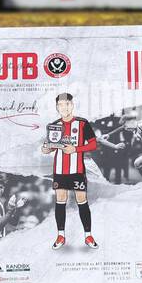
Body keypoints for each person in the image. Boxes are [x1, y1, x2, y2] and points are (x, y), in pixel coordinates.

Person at [40, 92, 98, 249]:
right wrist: (45, 149)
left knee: (81, 200)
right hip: (59, 171)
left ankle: (88, 236)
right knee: (60, 200)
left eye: (66, 104)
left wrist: (76, 149)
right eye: (60, 105)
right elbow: (49, 148)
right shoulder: (54, 126)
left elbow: (93, 145)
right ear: (57, 107)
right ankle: (61, 236)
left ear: (72, 105)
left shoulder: (82, 124)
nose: (63, 107)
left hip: (77, 170)